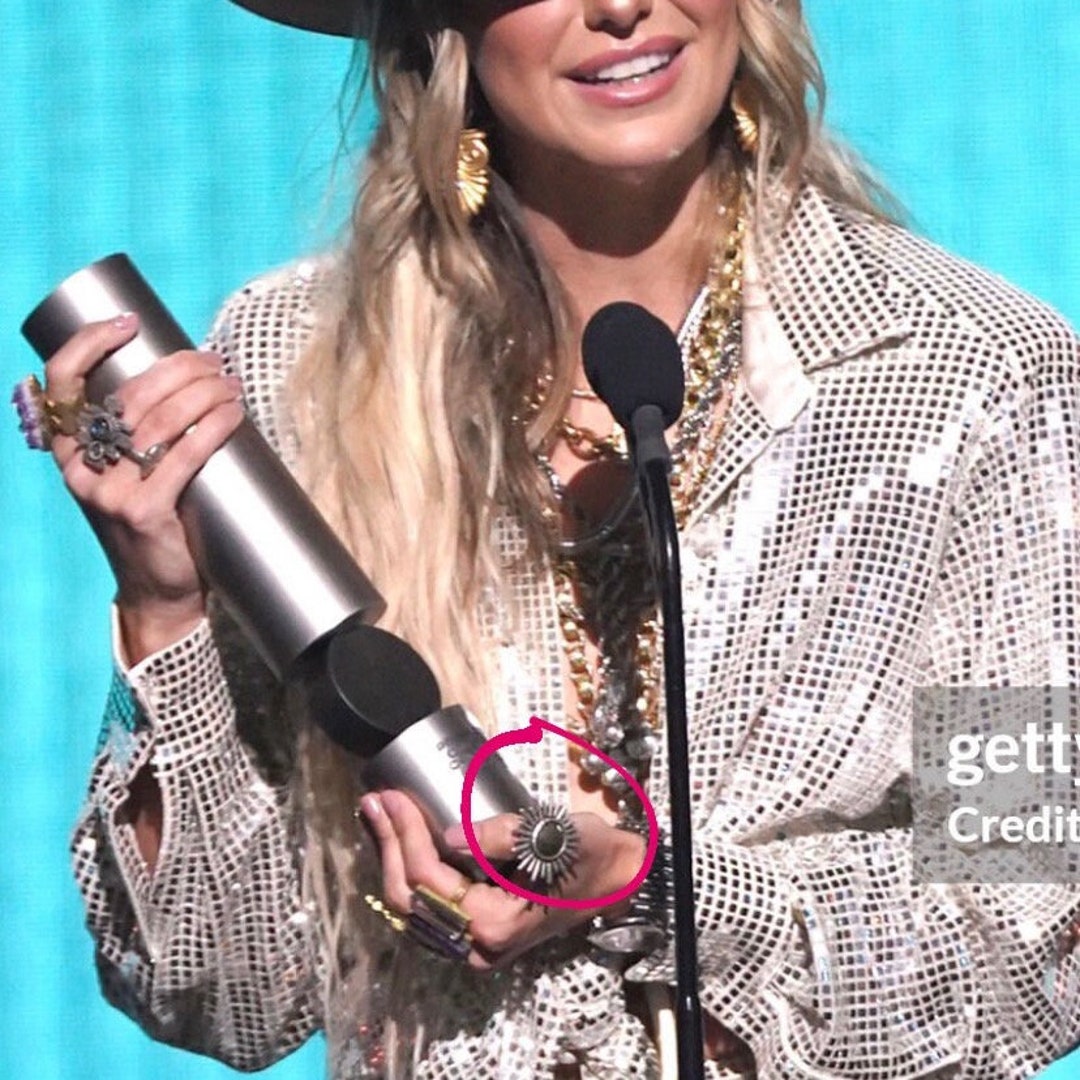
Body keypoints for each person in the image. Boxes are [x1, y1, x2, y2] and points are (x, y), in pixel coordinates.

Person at [19, 0, 1080, 1077]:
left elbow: (1035, 951)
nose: (619, 6)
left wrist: (647, 888)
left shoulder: (971, 377)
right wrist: (163, 607)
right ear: (442, 25)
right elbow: (226, 994)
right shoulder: (304, 364)